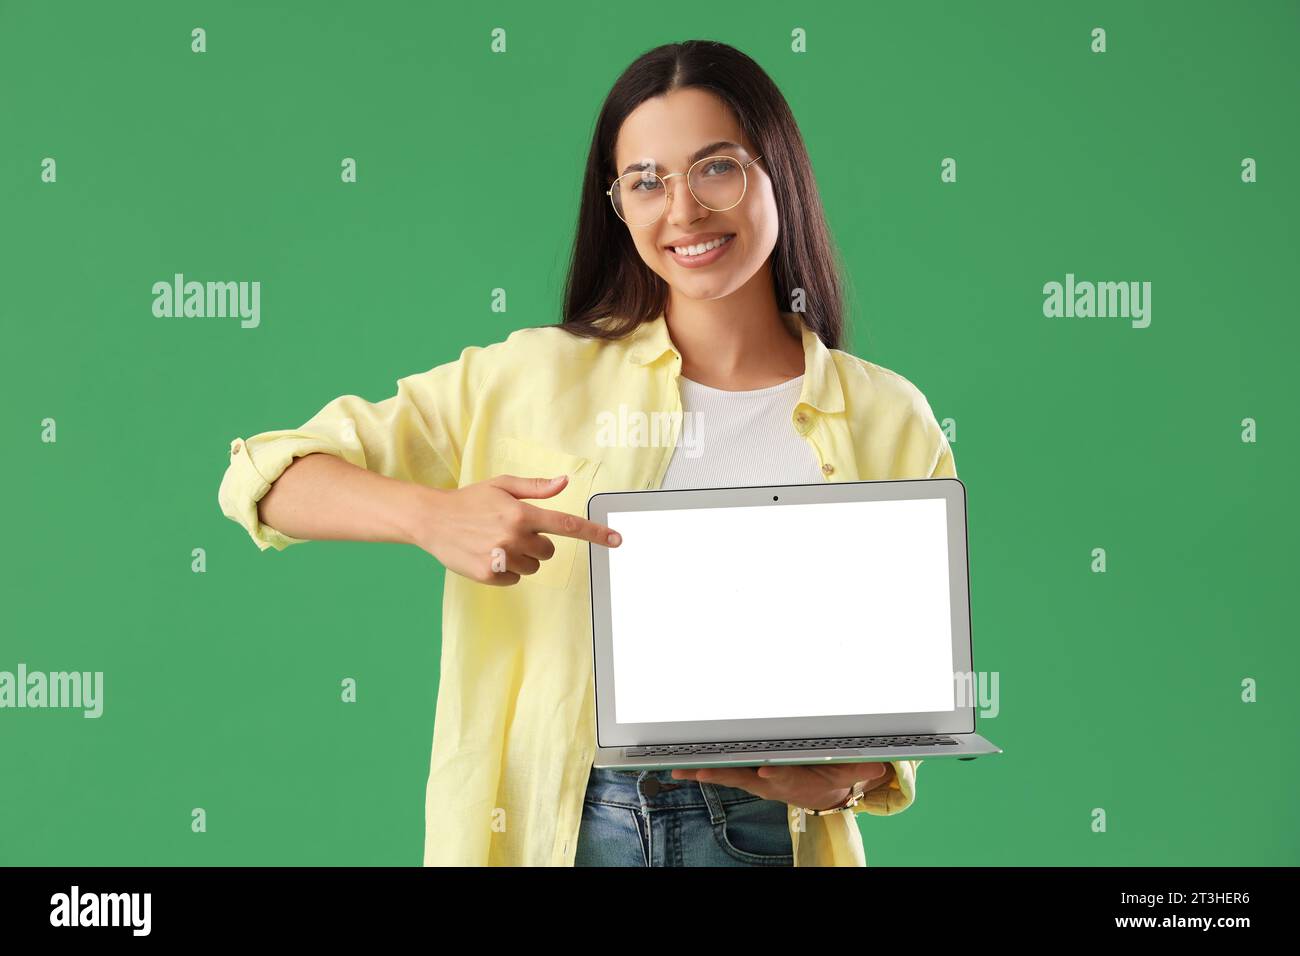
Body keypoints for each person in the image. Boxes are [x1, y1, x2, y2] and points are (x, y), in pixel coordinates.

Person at [217, 39, 956, 867]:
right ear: (619, 205)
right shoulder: (530, 376)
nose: (682, 211)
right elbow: (265, 476)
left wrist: (849, 776)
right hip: (560, 831)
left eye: (715, 168)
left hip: (766, 838)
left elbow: (903, 705)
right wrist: (432, 516)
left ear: (776, 169)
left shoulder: (889, 418)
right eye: (646, 181)